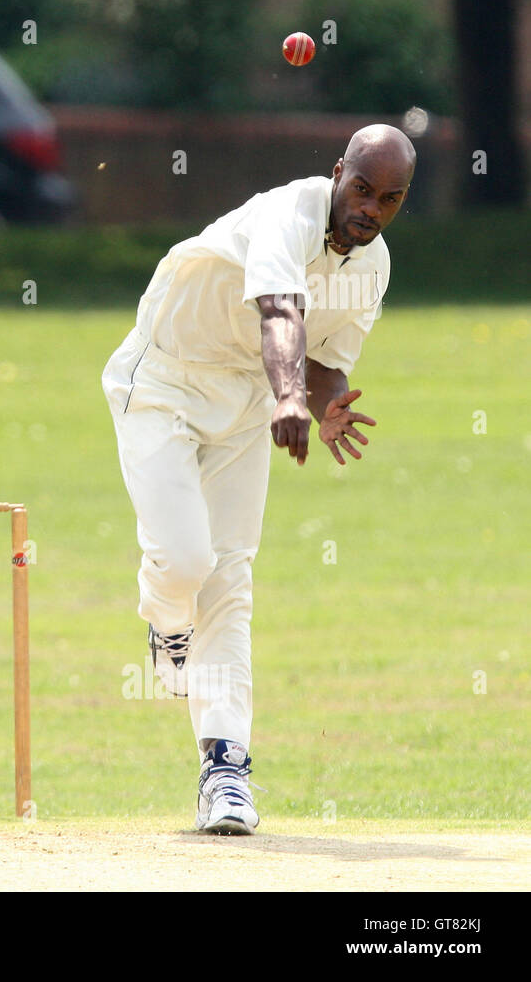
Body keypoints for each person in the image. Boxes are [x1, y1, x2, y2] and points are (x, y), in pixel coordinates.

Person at [102, 124, 416, 835]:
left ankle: (226, 769)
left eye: (389, 199)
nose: (370, 208)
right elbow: (281, 311)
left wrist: (325, 399)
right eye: (361, 189)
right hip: (164, 383)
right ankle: (164, 618)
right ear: (339, 173)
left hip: (248, 400)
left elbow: (327, 353)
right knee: (185, 562)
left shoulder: (375, 264)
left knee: (230, 578)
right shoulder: (289, 213)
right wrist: (289, 396)